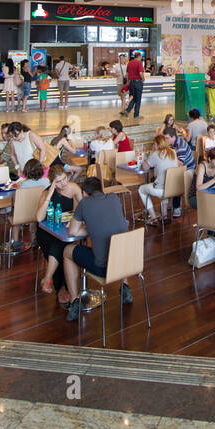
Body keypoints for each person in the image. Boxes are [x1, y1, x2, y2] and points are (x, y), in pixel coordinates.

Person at [63, 177, 132, 321]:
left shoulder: (84, 204)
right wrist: (95, 227)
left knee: (67, 251)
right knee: (118, 241)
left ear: (84, 193)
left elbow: (72, 231)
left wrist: (91, 228)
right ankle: (125, 286)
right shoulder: (114, 198)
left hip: (104, 268)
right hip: (127, 263)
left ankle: (74, 301)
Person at [36, 162, 83, 300]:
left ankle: (49, 279)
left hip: (64, 229)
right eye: (58, 181)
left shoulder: (74, 188)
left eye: (65, 178)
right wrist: (50, 194)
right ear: (52, 183)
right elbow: (39, 218)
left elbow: (83, 207)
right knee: (59, 245)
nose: (64, 183)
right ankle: (62, 287)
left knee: (62, 243)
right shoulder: (46, 193)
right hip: (46, 232)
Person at [137, 133, 180, 223]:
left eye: (154, 144)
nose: (153, 145)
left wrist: (152, 153)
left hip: (162, 189)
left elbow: (145, 167)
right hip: (174, 188)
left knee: (141, 189)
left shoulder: (156, 154)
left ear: (157, 144)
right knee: (165, 184)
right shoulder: (172, 152)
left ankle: (153, 218)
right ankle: (164, 216)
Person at [124, 50, 145, 117]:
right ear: (139, 56)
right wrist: (143, 79)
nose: (141, 58)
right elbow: (140, 73)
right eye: (141, 57)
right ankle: (136, 115)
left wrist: (128, 81)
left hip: (131, 83)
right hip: (137, 82)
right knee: (138, 99)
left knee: (133, 97)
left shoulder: (129, 63)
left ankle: (127, 110)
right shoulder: (139, 63)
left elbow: (127, 74)